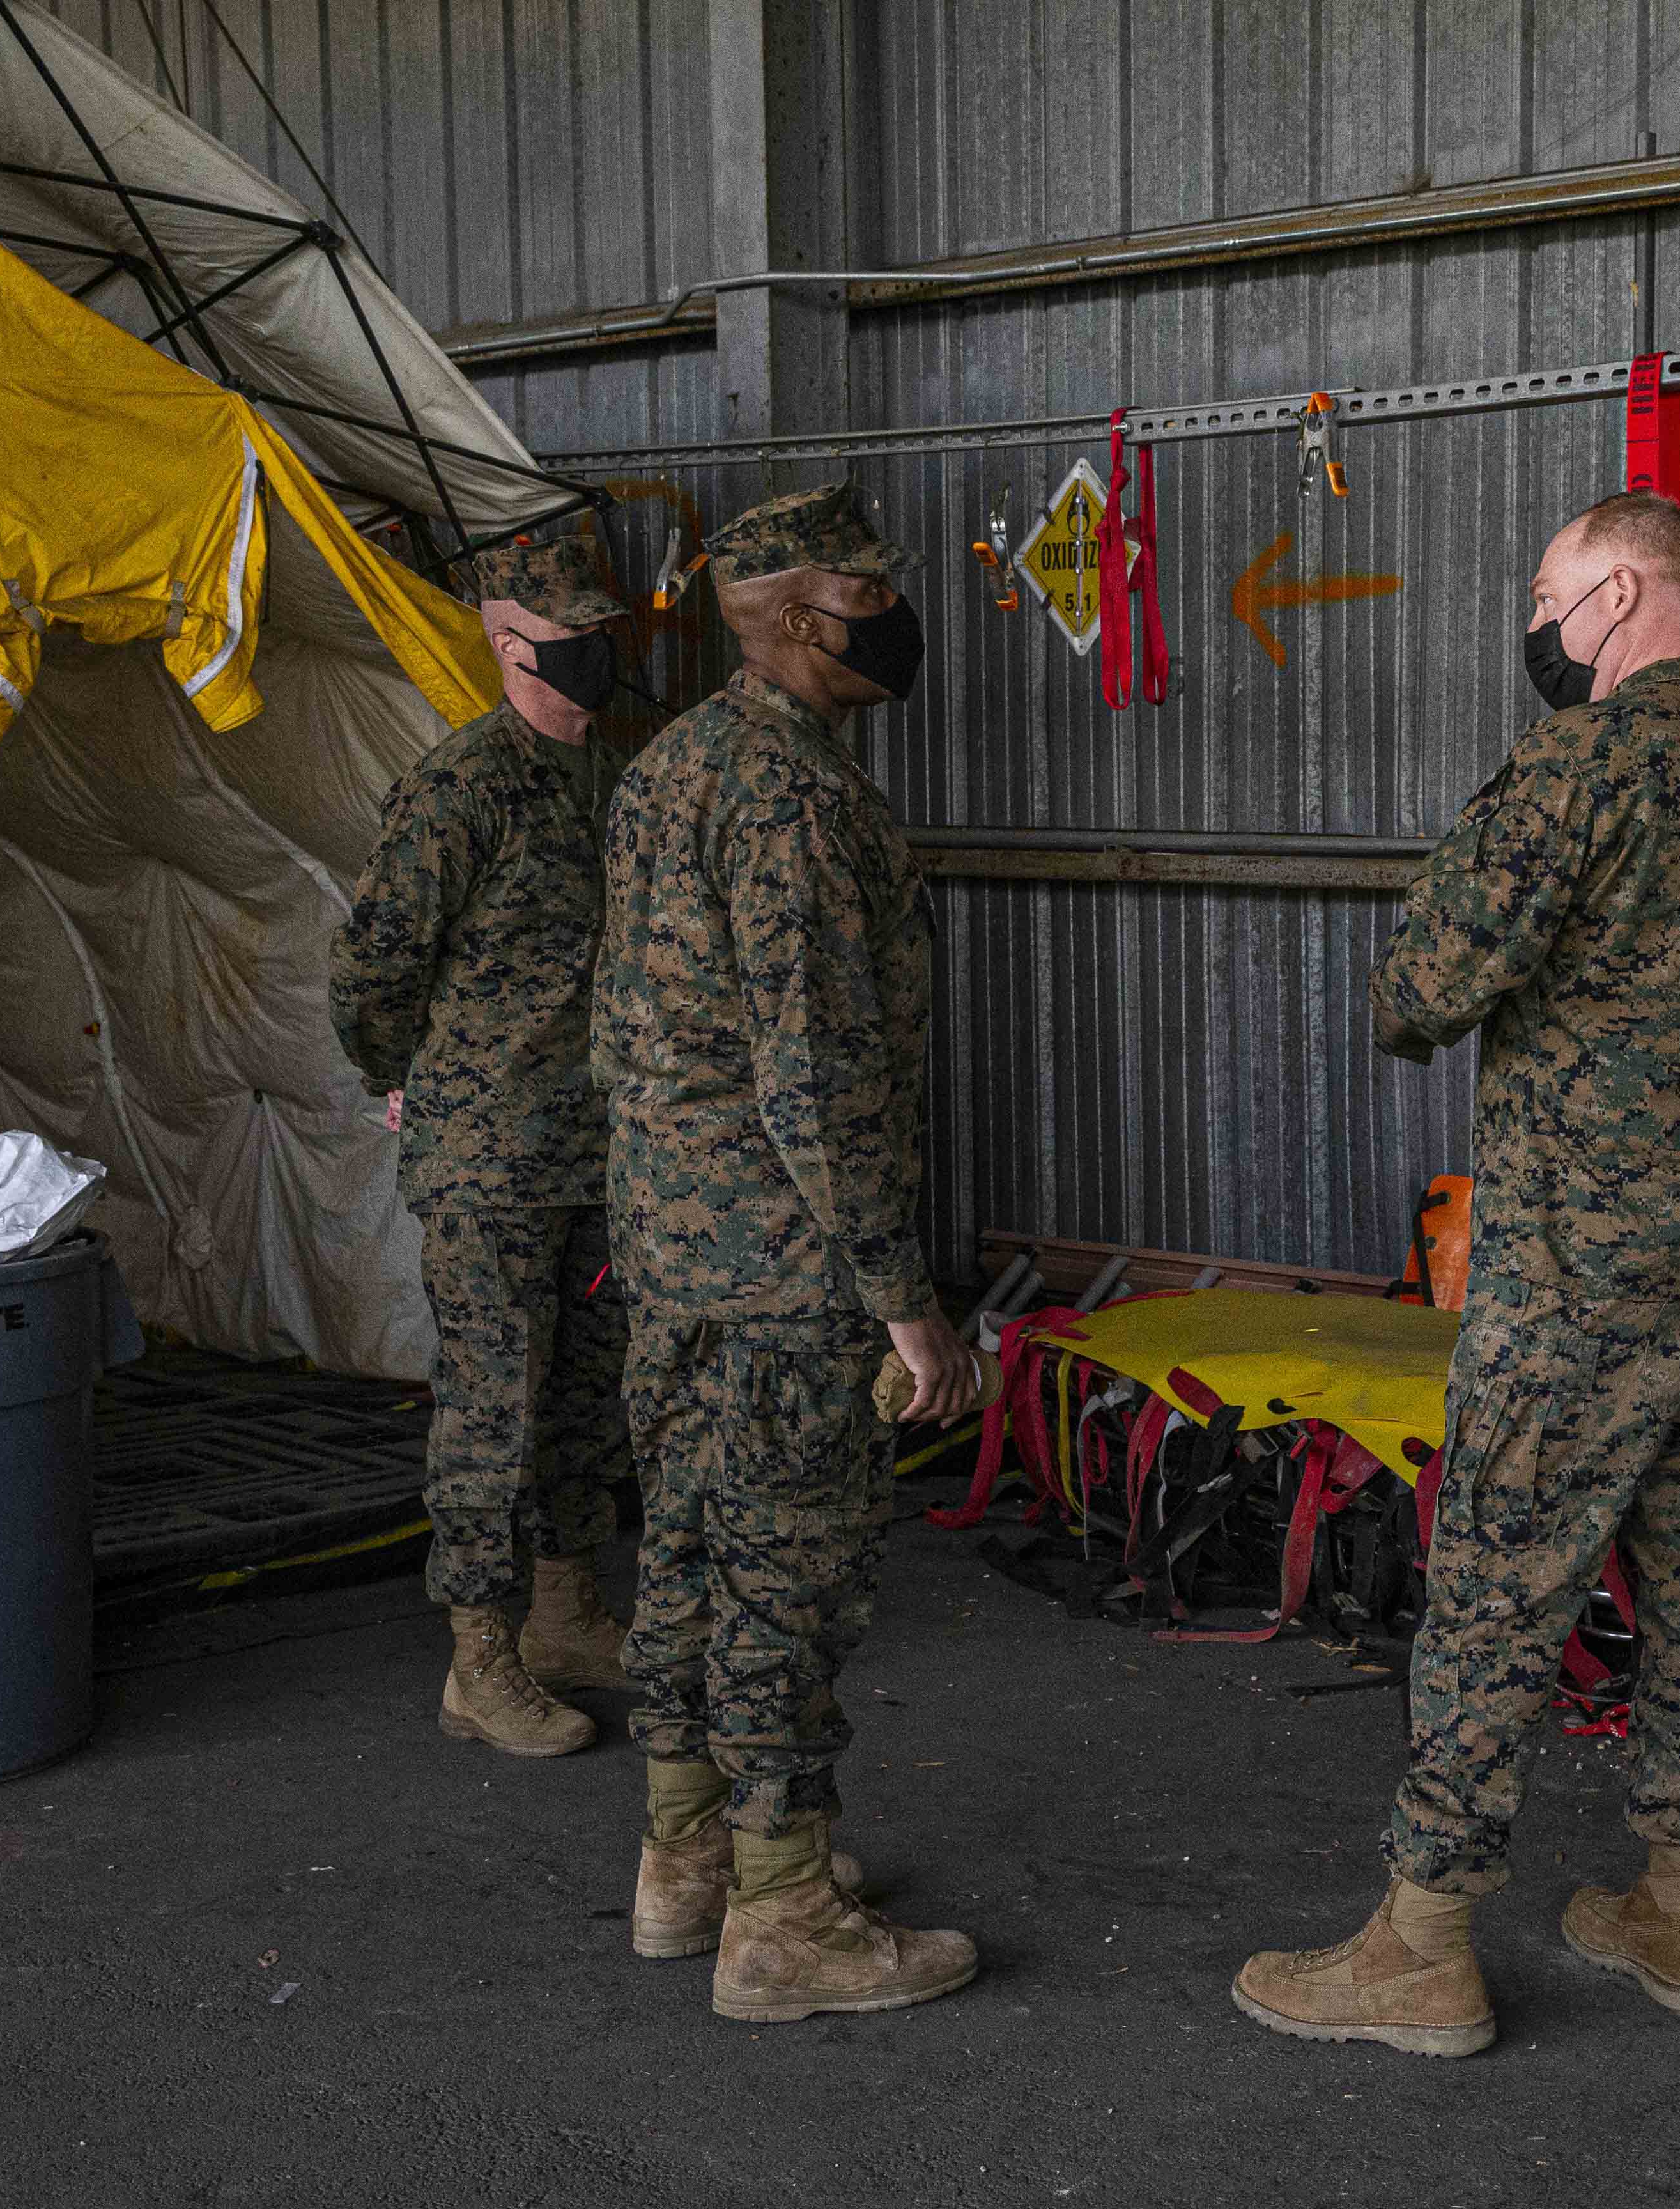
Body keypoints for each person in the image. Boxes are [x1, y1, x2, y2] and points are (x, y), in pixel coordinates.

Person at [1234, 491, 1680, 2056]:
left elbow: (1419, 990)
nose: (1533, 622)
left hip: (1580, 1271)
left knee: (1502, 1582)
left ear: (1620, 596)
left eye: (1545, 591)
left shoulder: (1577, 766)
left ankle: (1427, 1940)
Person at [592, 481, 987, 2024]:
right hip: (783, 1273)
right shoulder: (794, 800)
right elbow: (810, 1071)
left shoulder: (674, 768)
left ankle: (684, 1861)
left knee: (687, 1562)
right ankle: (784, 1917)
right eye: (875, 591)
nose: (896, 615)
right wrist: (905, 1307)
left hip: (679, 1263)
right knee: (785, 1589)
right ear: (810, 619)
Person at [330, 536, 638, 1762]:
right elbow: (375, 964)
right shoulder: (461, 787)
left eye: (606, 629)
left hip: (601, 1149)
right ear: (513, 649)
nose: (599, 653)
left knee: (584, 1398)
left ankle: (566, 1616)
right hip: (491, 1157)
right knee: (492, 1408)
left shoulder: (616, 780)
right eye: (572, 634)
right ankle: (479, 1659)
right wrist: (400, 1074)